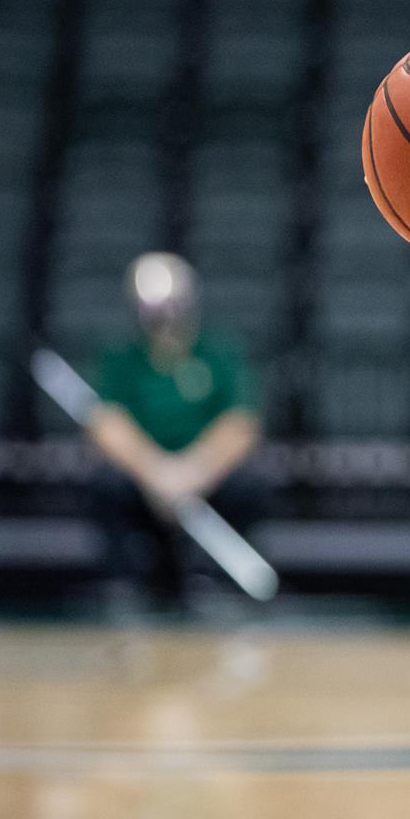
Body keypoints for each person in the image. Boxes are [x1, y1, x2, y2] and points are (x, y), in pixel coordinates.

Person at [88, 252, 262, 608]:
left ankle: (213, 579)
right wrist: (154, 471)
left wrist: (194, 471)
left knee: (249, 485)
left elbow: (240, 425)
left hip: (204, 478)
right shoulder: (122, 357)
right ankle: (126, 579)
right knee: (105, 484)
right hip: (144, 480)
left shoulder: (217, 352)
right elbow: (107, 424)